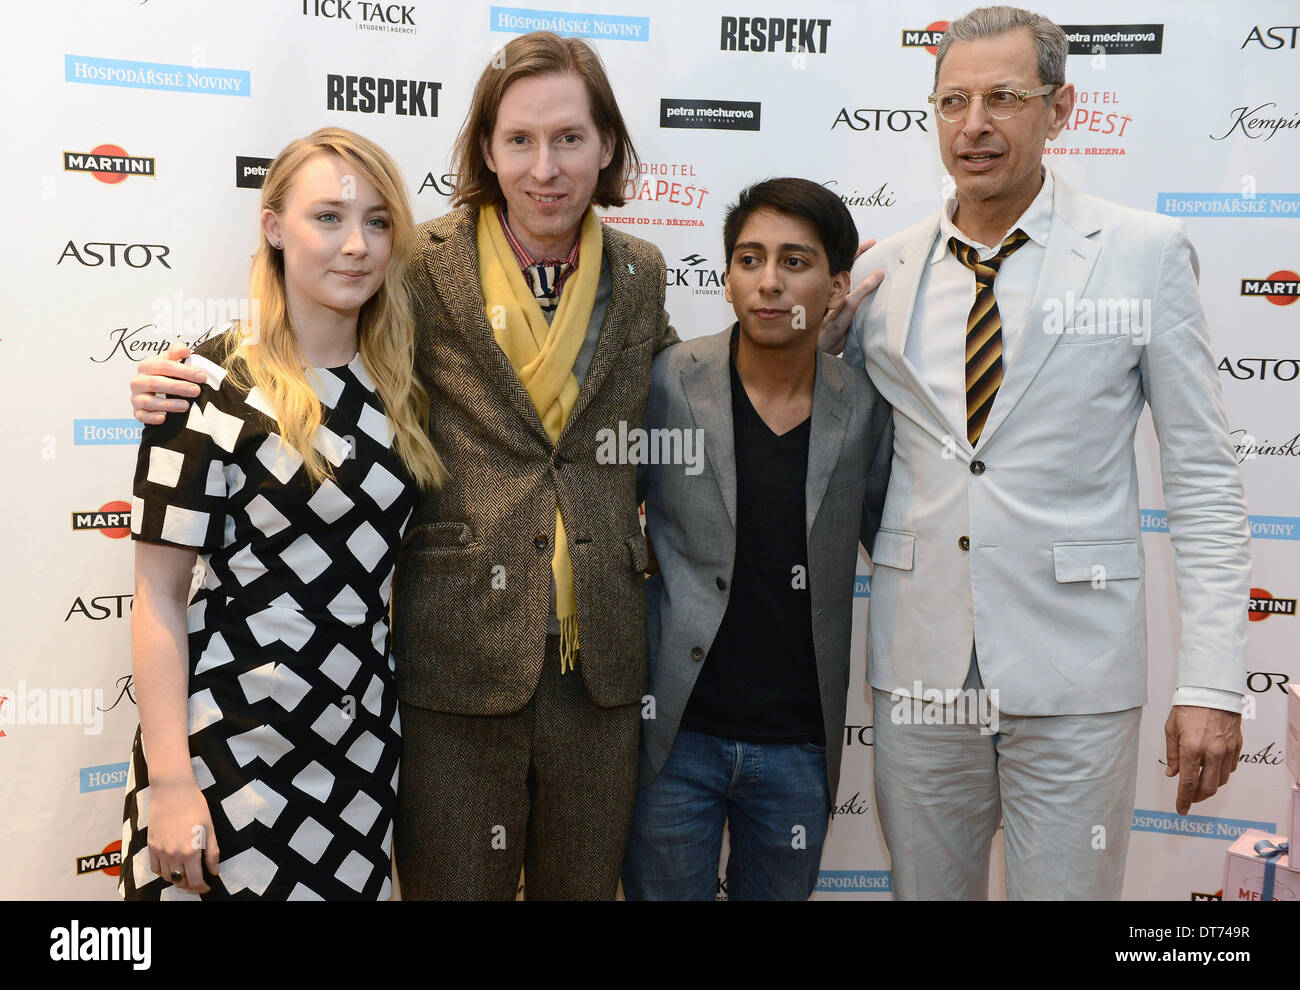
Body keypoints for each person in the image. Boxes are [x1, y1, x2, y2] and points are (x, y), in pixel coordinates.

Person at [133, 32, 673, 901]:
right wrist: (175, 379)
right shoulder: (420, 261)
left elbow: (683, 398)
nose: (546, 166)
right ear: (487, 150)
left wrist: (814, 342)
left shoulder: (643, 273)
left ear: (606, 144)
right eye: (521, 140)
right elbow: (308, 337)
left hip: (595, 661)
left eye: (570, 138)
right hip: (449, 656)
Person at [828, 5, 1252, 900]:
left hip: (1078, 677)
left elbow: (1206, 478)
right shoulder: (884, 274)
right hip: (921, 674)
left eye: (1004, 98)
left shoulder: (1142, 253)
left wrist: (1214, 681)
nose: (973, 125)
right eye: (953, 102)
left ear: (1060, 110)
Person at [120, 127, 445, 900]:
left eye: (376, 220)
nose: (357, 244)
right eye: (327, 217)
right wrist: (170, 783)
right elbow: (157, 594)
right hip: (229, 741)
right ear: (274, 227)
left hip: (359, 743)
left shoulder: (402, 388)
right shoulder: (205, 381)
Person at [622, 178, 892, 900]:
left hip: (799, 748)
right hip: (675, 738)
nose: (769, 282)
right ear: (728, 275)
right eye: (750, 258)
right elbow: (608, 518)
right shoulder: (670, 382)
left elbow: (898, 540)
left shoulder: (863, 408)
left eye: (795, 261)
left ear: (836, 286)